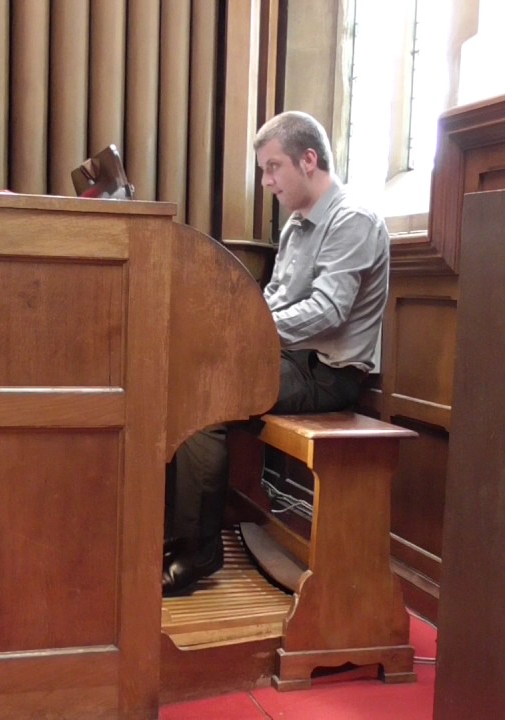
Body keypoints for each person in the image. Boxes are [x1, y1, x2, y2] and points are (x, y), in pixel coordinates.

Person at [162, 110, 391, 596]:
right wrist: (228, 329)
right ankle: (179, 537)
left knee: (205, 403)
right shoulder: (296, 225)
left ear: (309, 160)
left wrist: (243, 334)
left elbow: (328, 311)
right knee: (179, 380)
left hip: (327, 374)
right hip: (290, 360)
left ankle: (197, 552)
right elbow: (272, 302)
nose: (266, 181)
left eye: (272, 167)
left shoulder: (352, 220)